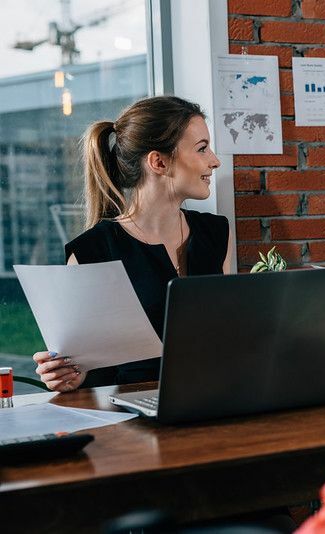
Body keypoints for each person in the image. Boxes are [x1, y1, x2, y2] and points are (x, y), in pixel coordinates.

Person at [32, 96, 232, 393]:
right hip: (130, 420)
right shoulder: (92, 252)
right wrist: (68, 375)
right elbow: (87, 370)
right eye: (202, 148)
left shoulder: (215, 232)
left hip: (212, 403)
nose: (214, 161)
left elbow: (225, 338)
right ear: (159, 162)